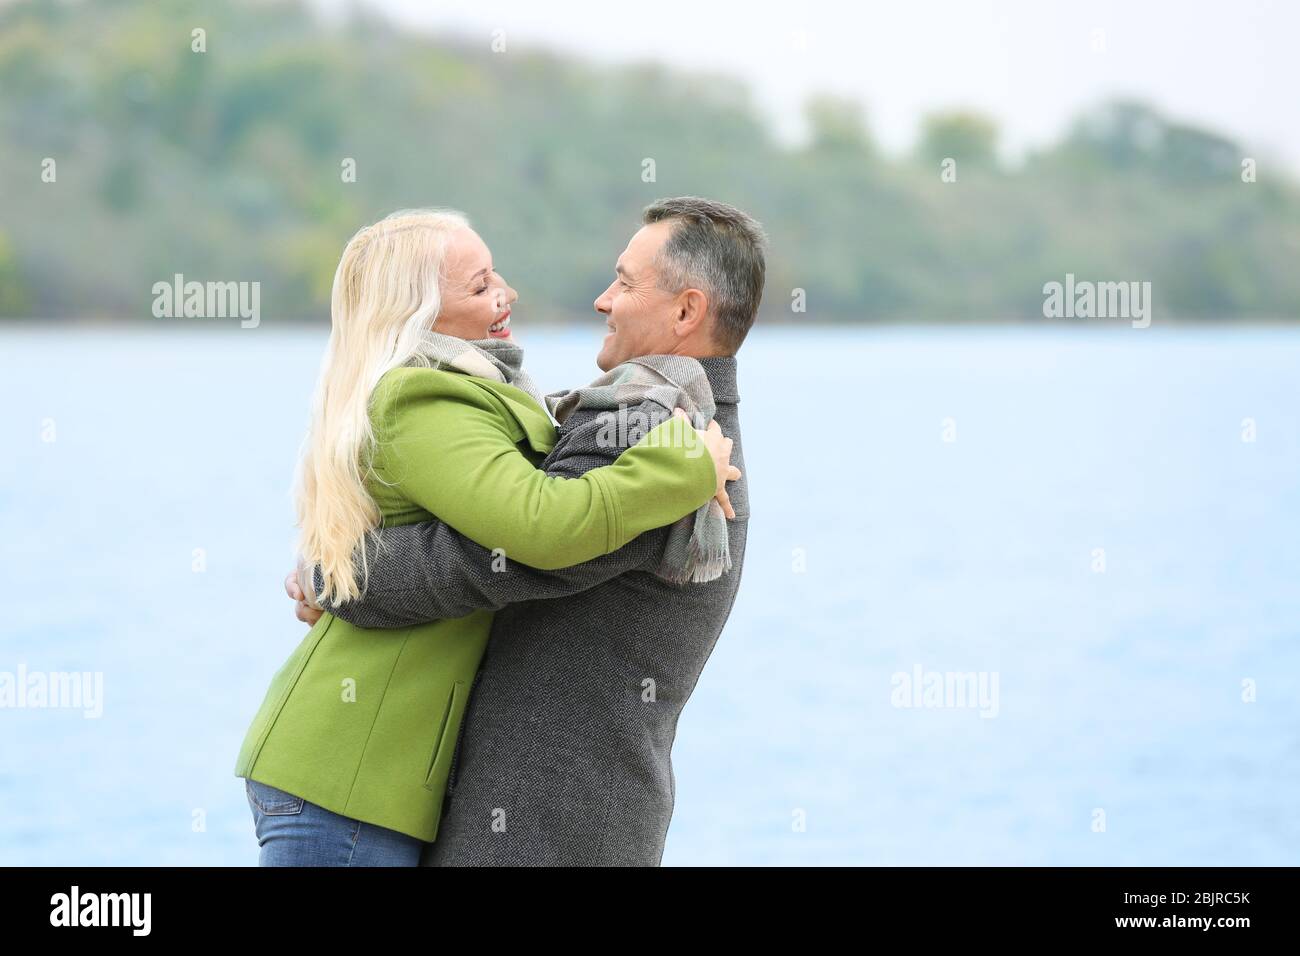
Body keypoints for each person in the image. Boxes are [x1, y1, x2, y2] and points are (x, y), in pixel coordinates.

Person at [234, 207, 739, 866]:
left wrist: (339, 571)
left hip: (371, 786)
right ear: (418, 315)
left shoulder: (485, 392)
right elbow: (538, 525)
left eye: (495, 275)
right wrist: (683, 468)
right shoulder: (428, 401)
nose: (505, 294)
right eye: (478, 287)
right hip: (345, 775)